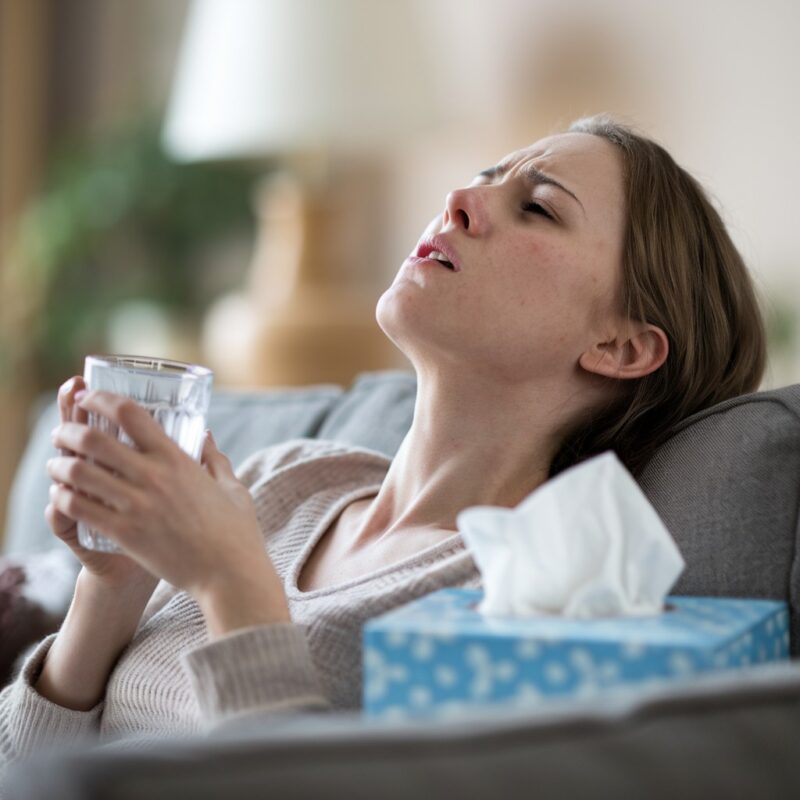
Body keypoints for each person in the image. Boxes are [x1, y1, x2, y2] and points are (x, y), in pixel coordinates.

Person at [0, 116, 765, 773]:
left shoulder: (522, 595)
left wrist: (230, 580)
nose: (460, 201)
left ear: (622, 347)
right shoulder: (283, 479)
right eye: (480, 177)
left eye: (537, 208)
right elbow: (25, 773)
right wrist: (114, 585)